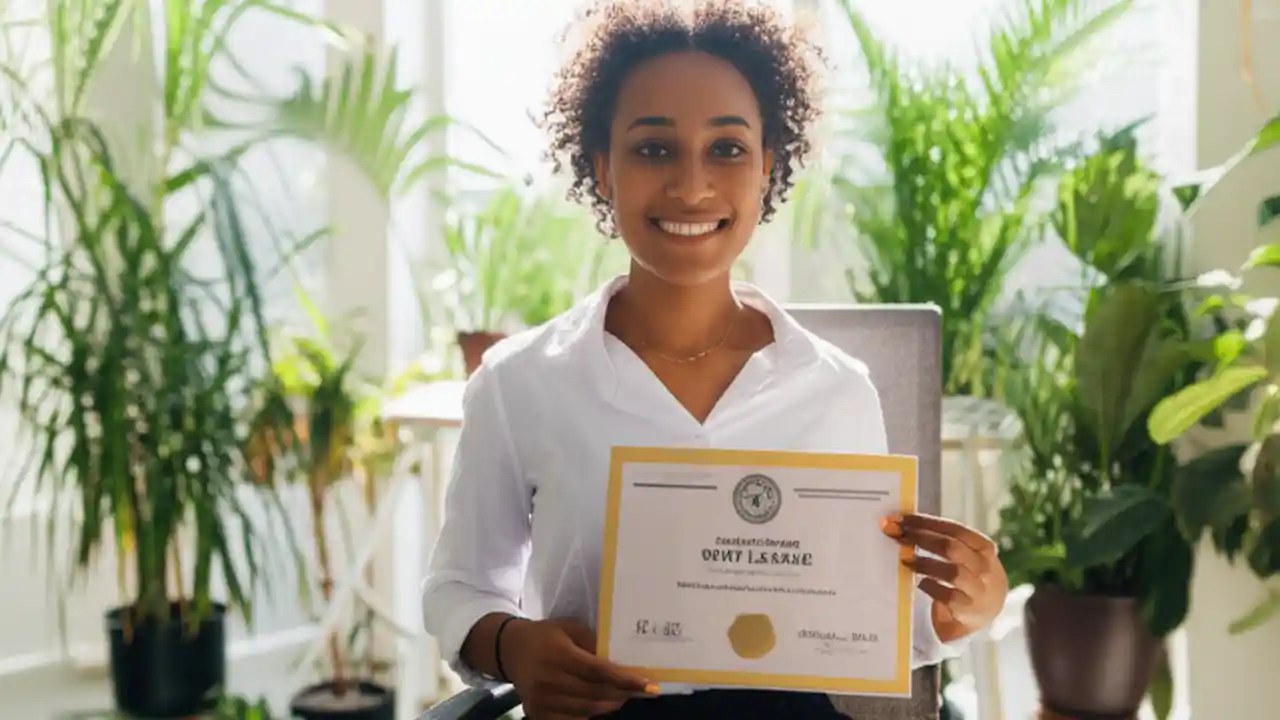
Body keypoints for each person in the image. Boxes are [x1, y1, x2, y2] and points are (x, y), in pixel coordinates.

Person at [421, 1, 1009, 718]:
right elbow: (458, 588)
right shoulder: (519, 383)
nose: (692, 185)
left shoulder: (835, 392)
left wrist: (956, 614)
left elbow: (856, 621)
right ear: (603, 167)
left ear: (768, 166)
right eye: (653, 148)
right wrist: (514, 646)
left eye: (727, 149)